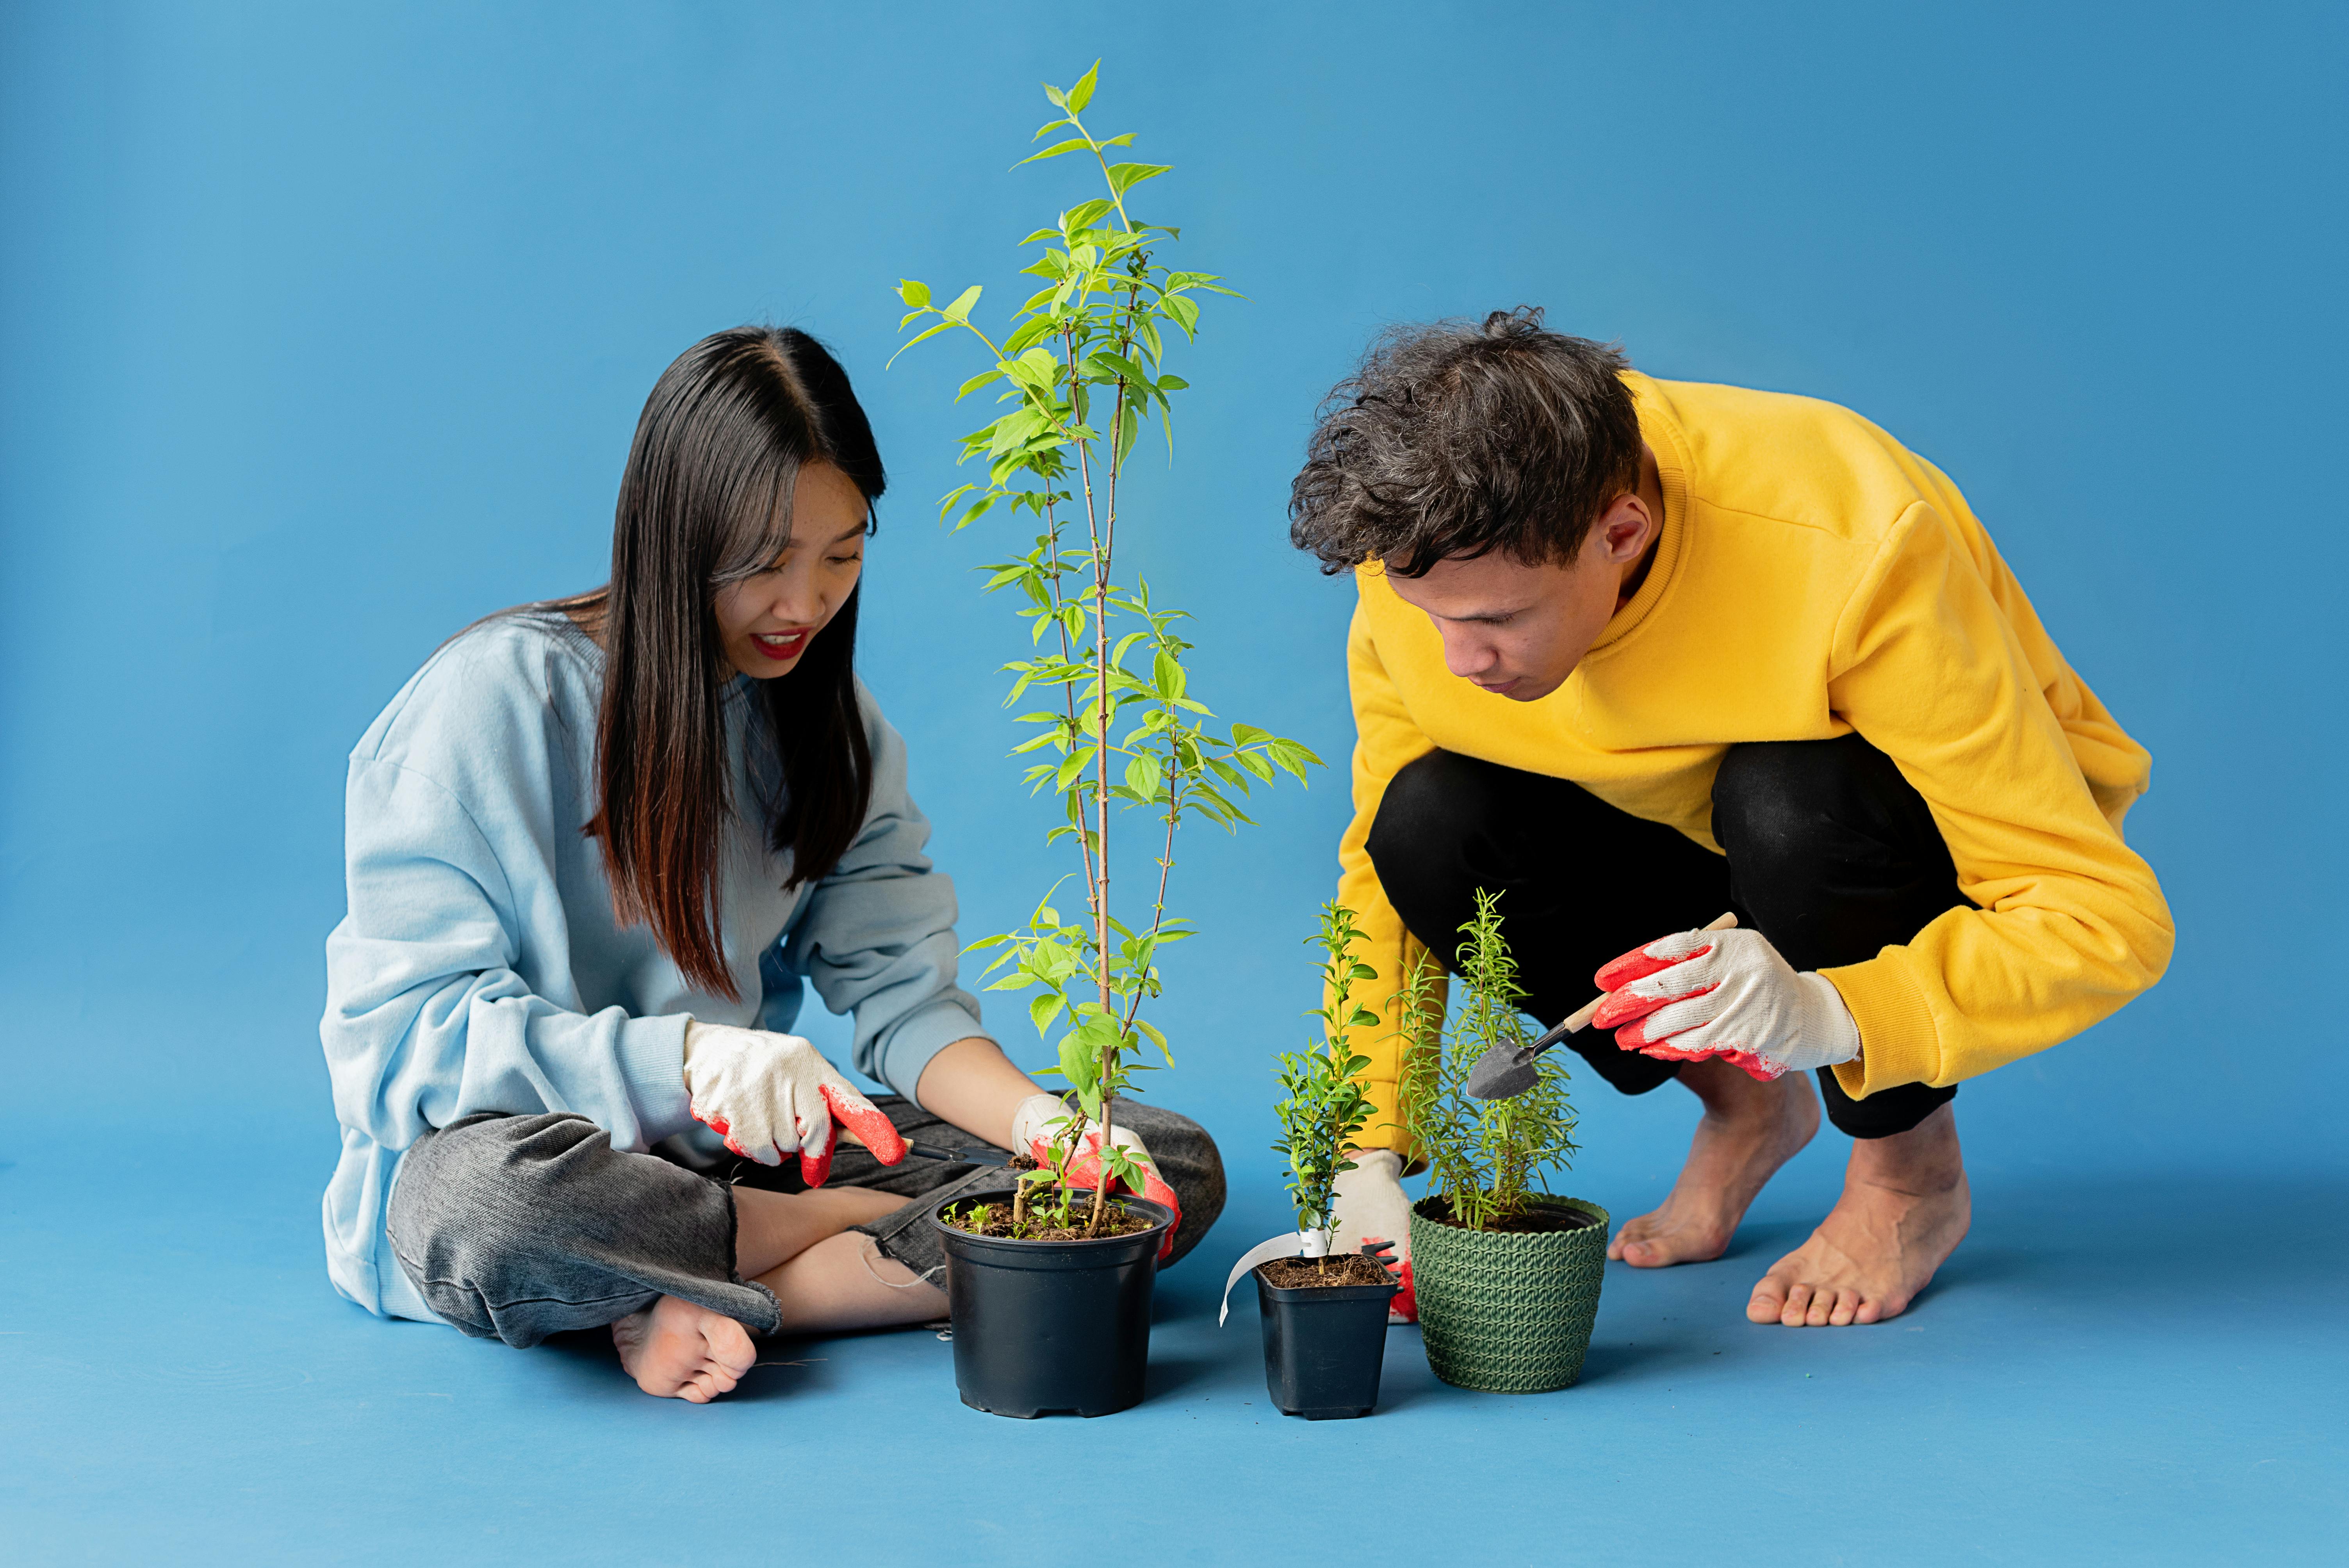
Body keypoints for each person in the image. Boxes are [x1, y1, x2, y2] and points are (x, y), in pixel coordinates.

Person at [319, 326, 1223, 1401]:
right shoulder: (491, 705)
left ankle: (712, 1299)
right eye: (763, 563)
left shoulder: (835, 731)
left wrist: (1047, 1130)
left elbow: (905, 1003)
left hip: (723, 1170)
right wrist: (691, 1063)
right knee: (489, 1214)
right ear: (674, 539)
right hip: (548, 1172)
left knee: (1158, 1163)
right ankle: (830, 1233)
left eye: (841, 556)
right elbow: (398, 1052)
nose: (805, 604)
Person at [1290, 309, 2170, 1328]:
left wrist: (1829, 1015)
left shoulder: (1853, 538)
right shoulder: (1430, 544)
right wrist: (1366, 1153)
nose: (1456, 663)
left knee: (1788, 799)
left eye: (1495, 622)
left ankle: (1908, 1180)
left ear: (1622, 531)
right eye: (1429, 616)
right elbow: (1378, 875)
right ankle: (1750, 1105)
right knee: (1426, 820)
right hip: (1672, 837)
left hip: (1878, 838)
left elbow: (2103, 918)